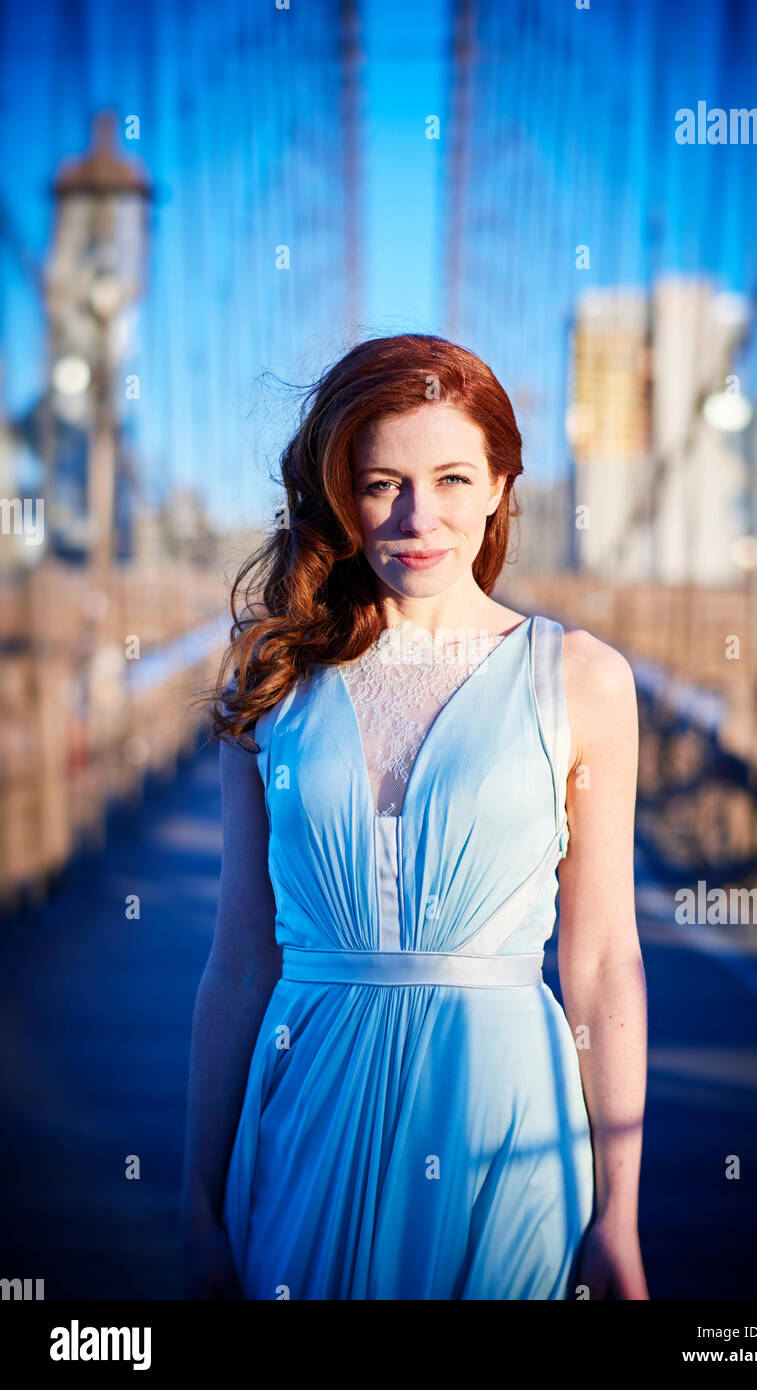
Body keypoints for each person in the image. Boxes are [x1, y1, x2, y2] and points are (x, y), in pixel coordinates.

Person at [180, 333, 649, 1300]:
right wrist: (195, 1200)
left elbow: (602, 961)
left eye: (449, 478)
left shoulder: (583, 681)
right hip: (310, 1103)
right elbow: (238, 957)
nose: (417, 517)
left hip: (503, 1116)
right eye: (381, 482)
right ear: (340, 495)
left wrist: (620, 1218)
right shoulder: (272, 683)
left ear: (498, 485)